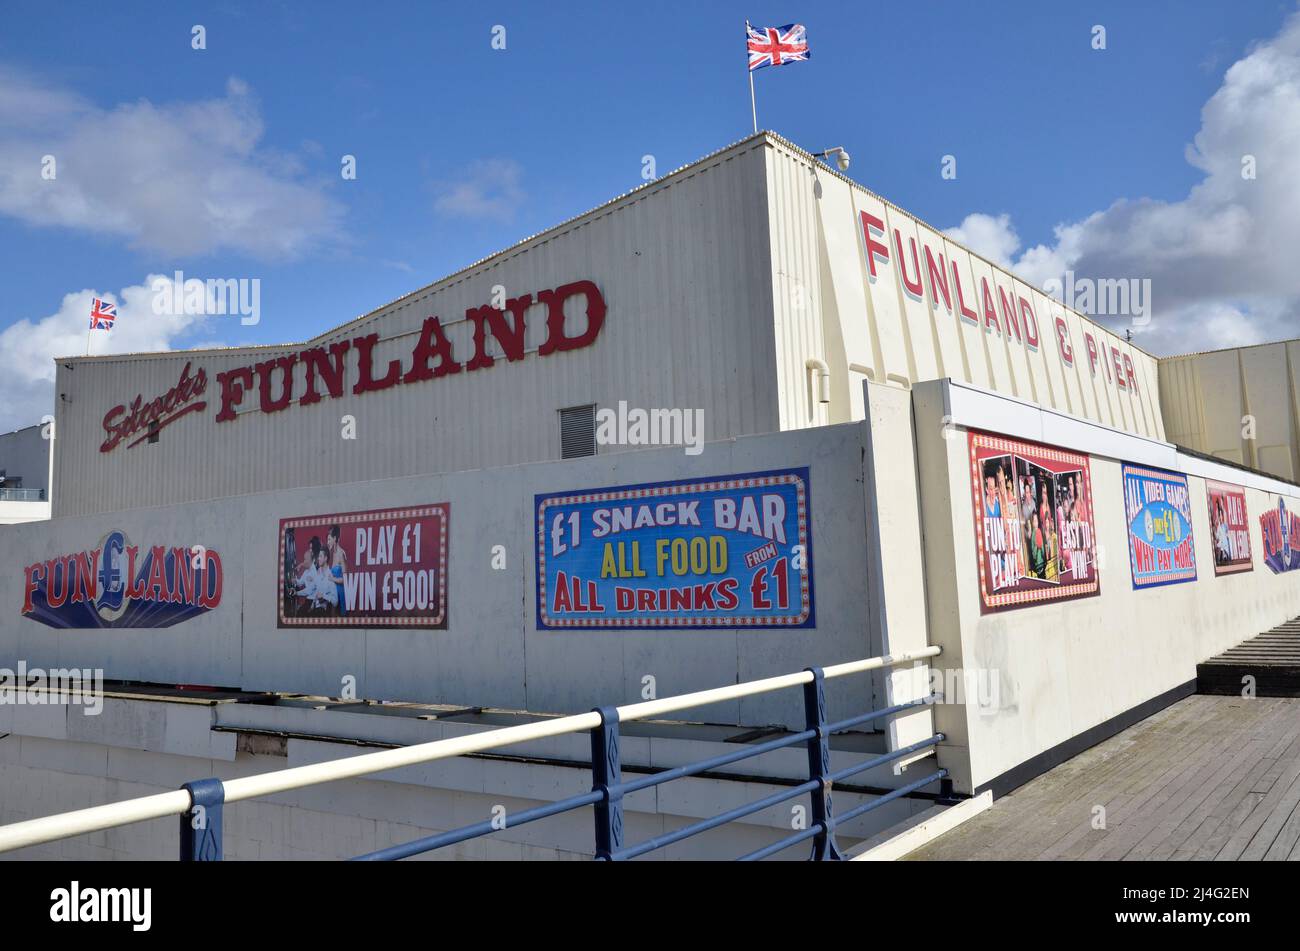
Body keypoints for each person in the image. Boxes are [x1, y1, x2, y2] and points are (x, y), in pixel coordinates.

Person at [327, 524, 349, 616]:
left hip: (340, 595)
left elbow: (345, 579)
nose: (327, 542)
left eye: (329, 539)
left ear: (335, 538)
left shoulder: (341, 554)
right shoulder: (330, 553)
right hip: (332, 594)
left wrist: (332, 579)